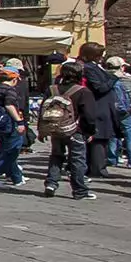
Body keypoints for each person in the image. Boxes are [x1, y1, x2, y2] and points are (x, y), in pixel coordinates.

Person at [39, 65, 92, 199]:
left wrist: (42, 129)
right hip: (75, 130)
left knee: (56, 156)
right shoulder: (83, 91)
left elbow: (42, 110)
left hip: (55, 128)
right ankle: (79, 191)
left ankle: (51, 183)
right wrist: (90, 132)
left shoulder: (52, 89)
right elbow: (89, 115)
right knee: (77, 159)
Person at [0, 61, 29, 187]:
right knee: (11, 151)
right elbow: (9, 105)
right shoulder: (10, 90)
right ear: (14, 78)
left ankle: (17, 178)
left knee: (5, 150)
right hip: (10, 124)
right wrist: (19, 121)